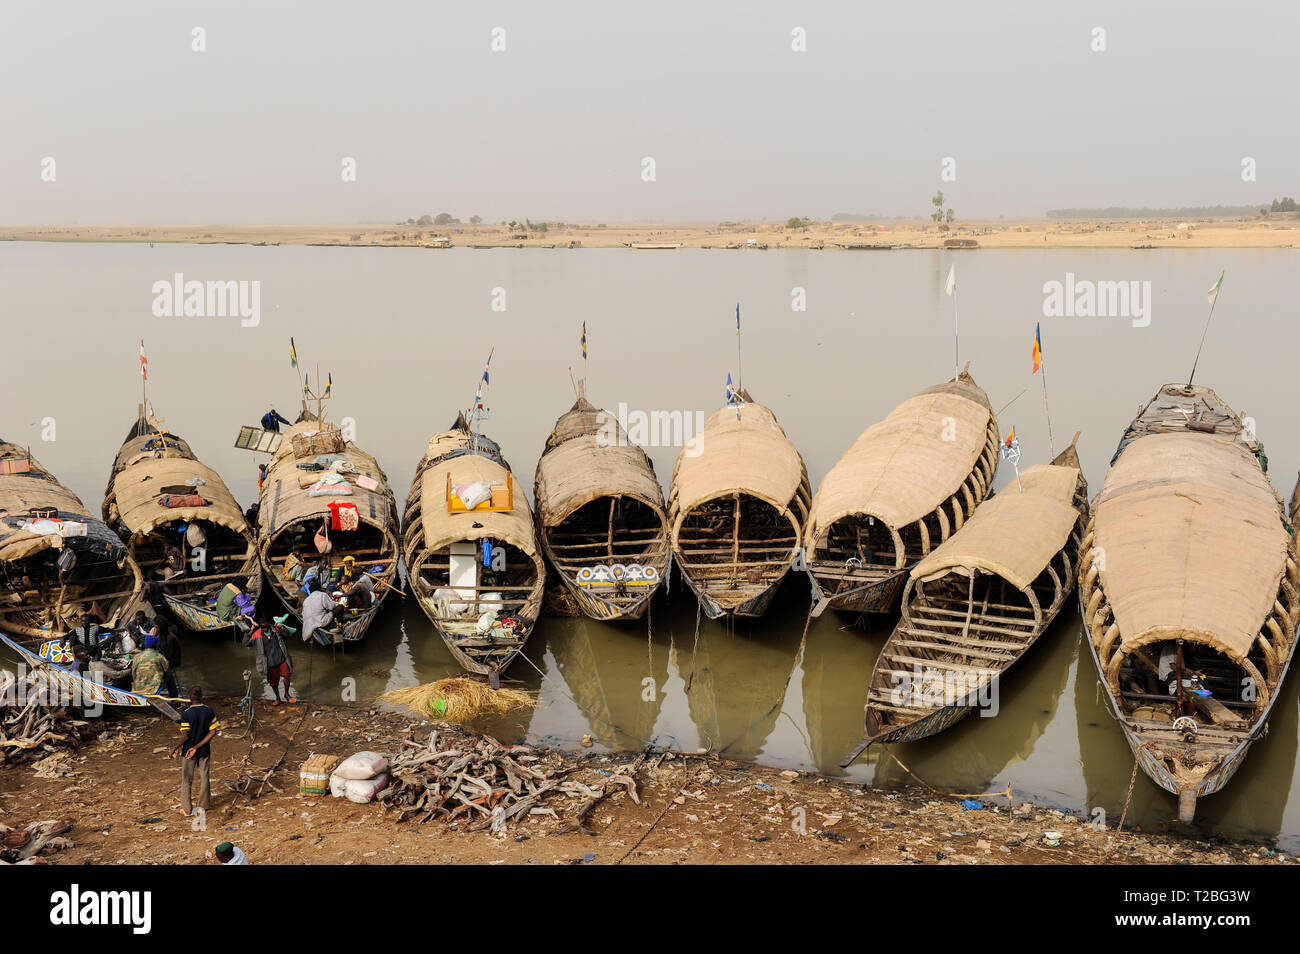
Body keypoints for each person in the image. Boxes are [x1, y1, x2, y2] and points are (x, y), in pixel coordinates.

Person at [172, 687, 219, 818]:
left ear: (189, 698)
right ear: (201, 696)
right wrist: (198, 746)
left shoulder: (186, 713)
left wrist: (174, 748)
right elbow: (213, 732)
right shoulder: (209, 711)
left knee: (187, 779)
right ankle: (202, 806)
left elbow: (185, 736)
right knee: (204, 777)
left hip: (188, 751)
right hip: (204, 750)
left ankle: (186, 809)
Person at [245, 614, 296, 705]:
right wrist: (250, 631)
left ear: (269, 624)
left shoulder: (276, 630)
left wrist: (282, 627)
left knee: (287, 675)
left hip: (281, 658)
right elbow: (245, 643)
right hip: (269, 663)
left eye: (266, 626)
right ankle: (277, 698)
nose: (264, 629)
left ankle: (287, 695)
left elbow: (288, 635)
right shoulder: (257, 635)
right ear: (260, 626)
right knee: (273, 682)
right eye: (262, 627)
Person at [301, 579, 336, 645]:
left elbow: (303, 613)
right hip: (321, 622)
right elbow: (331, 606)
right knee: (340, 608)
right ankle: (332, 626)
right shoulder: (323, 595)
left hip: (309, 624)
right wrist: (333, 602)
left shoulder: (306, 599)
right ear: (319, 588)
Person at [157, 622, 183, 697]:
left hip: (169, 662)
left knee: (170, 678)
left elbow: (170, 653)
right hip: (167, 662)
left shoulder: (170, 638)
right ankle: (174, 696)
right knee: (170, 679)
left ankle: (174, 696)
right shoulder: (164, 637)